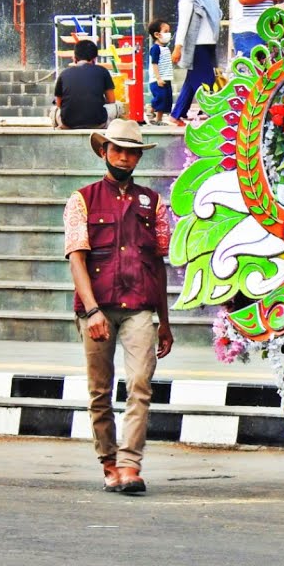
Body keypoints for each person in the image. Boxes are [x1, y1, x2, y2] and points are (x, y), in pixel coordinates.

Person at [63, 120, 173, 494]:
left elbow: (158, 263)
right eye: (118, 150)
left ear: (139, 157)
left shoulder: (154, 203)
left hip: (139, 307)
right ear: (103, 152)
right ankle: (109, 463)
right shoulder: (81, 200)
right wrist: (92, 311)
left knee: (141, 383)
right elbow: (76, 259)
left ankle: (130, 464)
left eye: (132, 152)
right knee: (100, 391)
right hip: (97, 308)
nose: (124, 157)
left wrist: (165, 321)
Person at [170, 0, 222, 126]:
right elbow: (183, 25)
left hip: (209, 45)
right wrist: (177, 47)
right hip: (197, 47)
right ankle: (213, 113)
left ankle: (176, 115)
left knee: (191, 82)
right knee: (207, 81)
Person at [51, 39, 122, 129]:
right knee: (118, 105)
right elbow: (112, 100)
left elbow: (58, 104)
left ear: (75, 57)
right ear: (94, 58)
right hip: (98, 123)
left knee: (54, 110)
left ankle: (61, 125)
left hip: (68, 124)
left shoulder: (64, 74)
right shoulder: (103, 71)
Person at [145, 19, 174, 125]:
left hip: (166, 78)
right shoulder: (155, 48)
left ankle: (158, 119)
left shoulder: (165, 48)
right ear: (157, 34)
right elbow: (154, 64)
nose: (168, 34)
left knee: (166, 99)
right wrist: (158, 78)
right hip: (157, 80)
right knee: (160, 98)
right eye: (165, 31)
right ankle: (151, 109)